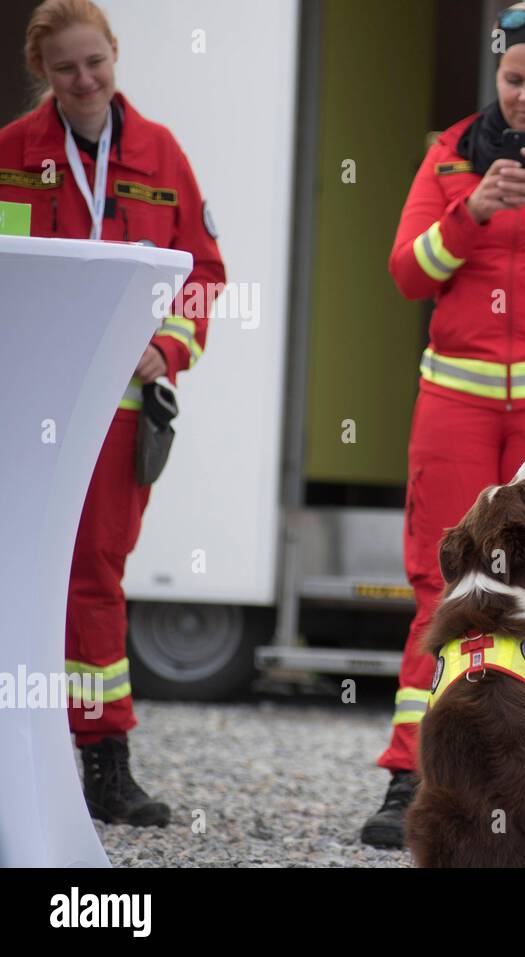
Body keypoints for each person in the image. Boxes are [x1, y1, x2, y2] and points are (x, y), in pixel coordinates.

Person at [363, 3, 525, 848]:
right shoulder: (449, 155)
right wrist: (469, 215)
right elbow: (405, 272)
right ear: (493, 78)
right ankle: (411, 775)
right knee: (443, 589)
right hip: (456, 399)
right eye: (513, 79)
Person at [0, 0, 225, 826]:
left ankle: (103, 764)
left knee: (93, 579)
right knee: (15, 577)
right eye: (65, 68)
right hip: (24, 408)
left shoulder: (161, 153)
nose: (84, 80)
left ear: (114, 55)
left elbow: (204, 272)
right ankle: (19, 755)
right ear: (43, 74)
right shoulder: (11, 156)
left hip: (120, 409)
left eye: (95, 62)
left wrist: (166, 350)